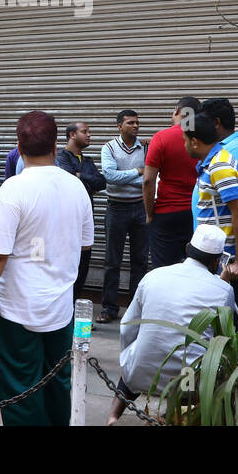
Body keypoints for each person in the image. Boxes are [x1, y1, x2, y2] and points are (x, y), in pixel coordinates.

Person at [0, 111, 94, 427]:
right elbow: (83, 244)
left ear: (18, 146)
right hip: (60, 311)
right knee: (57, 386)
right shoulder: (76, 188)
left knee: (20, 395)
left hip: (16, 312)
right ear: (55, 145)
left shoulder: (14, 188)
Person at [107, 224, 235, 424]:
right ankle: (181, 415)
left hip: (142, 371)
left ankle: (113, 416)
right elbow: (223, 340)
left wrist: (129, 357)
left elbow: (127, 328)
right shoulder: (223, 290)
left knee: (134, 361)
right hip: (188, 382)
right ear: (217, 261)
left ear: (187, 249)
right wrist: (224, 282)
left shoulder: (153, 276)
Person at [182, 114, 238, 330]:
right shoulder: (213, 162)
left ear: (195, 142)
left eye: (186, 140)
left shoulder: (219, 167)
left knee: (236, 326)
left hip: (230, 262)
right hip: (219, 258)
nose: (184, 145)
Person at [97, 109, 147, 324]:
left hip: (141, 207)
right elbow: (109, 176)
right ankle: (109, 308)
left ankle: (136, 310)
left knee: (140, 261)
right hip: (116, 208)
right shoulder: (108, 148)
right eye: (130, 123)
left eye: (137, 123)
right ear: (119, 126)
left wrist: (125, 177)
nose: (135, 126)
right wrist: (137, 172)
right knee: (112, 261)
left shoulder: (147, 146)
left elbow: (154, 177)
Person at [144, 96, 202, 268]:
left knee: (164, 269)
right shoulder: (202, 140)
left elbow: (148, 180)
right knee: (196, 268)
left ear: (177, 111)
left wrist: (148, 214)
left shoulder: (162, 137)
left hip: (167, 214)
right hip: (196, 214)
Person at [56, 120, 106, 301]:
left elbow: (101, 182)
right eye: (85, 132)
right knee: (66, 268)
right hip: (66, 222)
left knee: (82, 266)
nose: (89, 135)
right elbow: (67, 178)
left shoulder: (87, 160)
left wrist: (80, 175)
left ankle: (75, 310)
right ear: (72, 135)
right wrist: (85, 179)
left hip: (85, 221)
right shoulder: (61, 157)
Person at [200, 97, 238, 237]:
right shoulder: (220, 149)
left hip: (228, 245)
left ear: (216, 123)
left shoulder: (236, 151)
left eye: (203, 122)